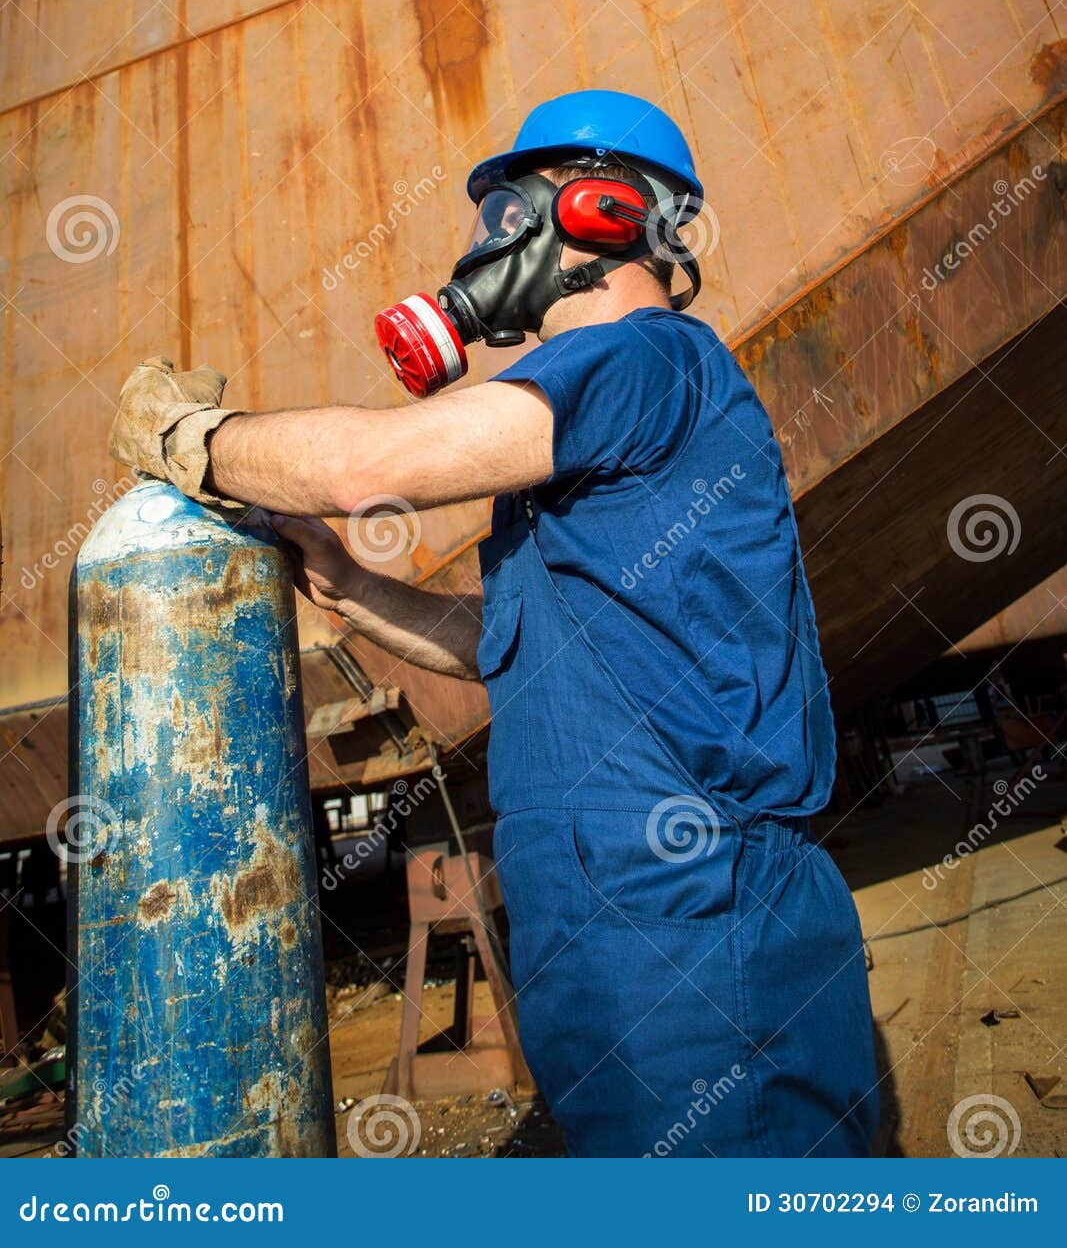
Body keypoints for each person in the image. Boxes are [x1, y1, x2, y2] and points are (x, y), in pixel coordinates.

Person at [108, 89, 877, 1157]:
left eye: (505, 213)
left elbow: (368, 468)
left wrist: (196, 438)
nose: (481, 247)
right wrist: (354, 586)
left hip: (694, 930)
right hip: (608, 935)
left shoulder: (639, 357)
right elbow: (513, 649)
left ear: (605, 210)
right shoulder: (590, 435)